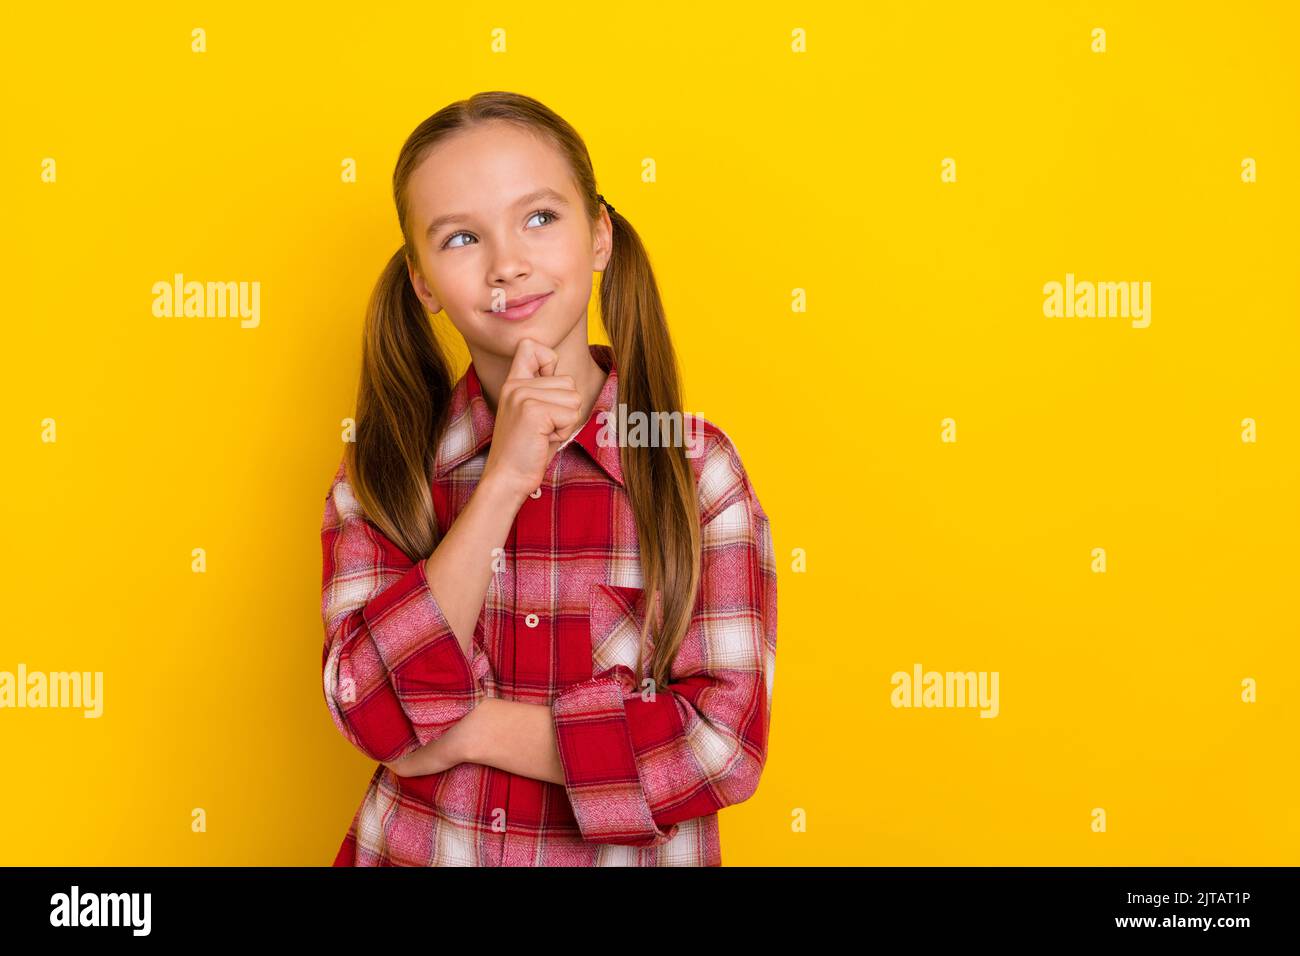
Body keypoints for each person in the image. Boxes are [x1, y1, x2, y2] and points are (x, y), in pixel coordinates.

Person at [319, 91, 776, 865]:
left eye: (539, 218)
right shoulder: (385, 474)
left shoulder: (697, 469)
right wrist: (501, 483)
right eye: (462, 237)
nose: (508, 264)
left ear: (599, 234)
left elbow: (723, 749)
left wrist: (473, 726)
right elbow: (370, 713)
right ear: (424, 283)